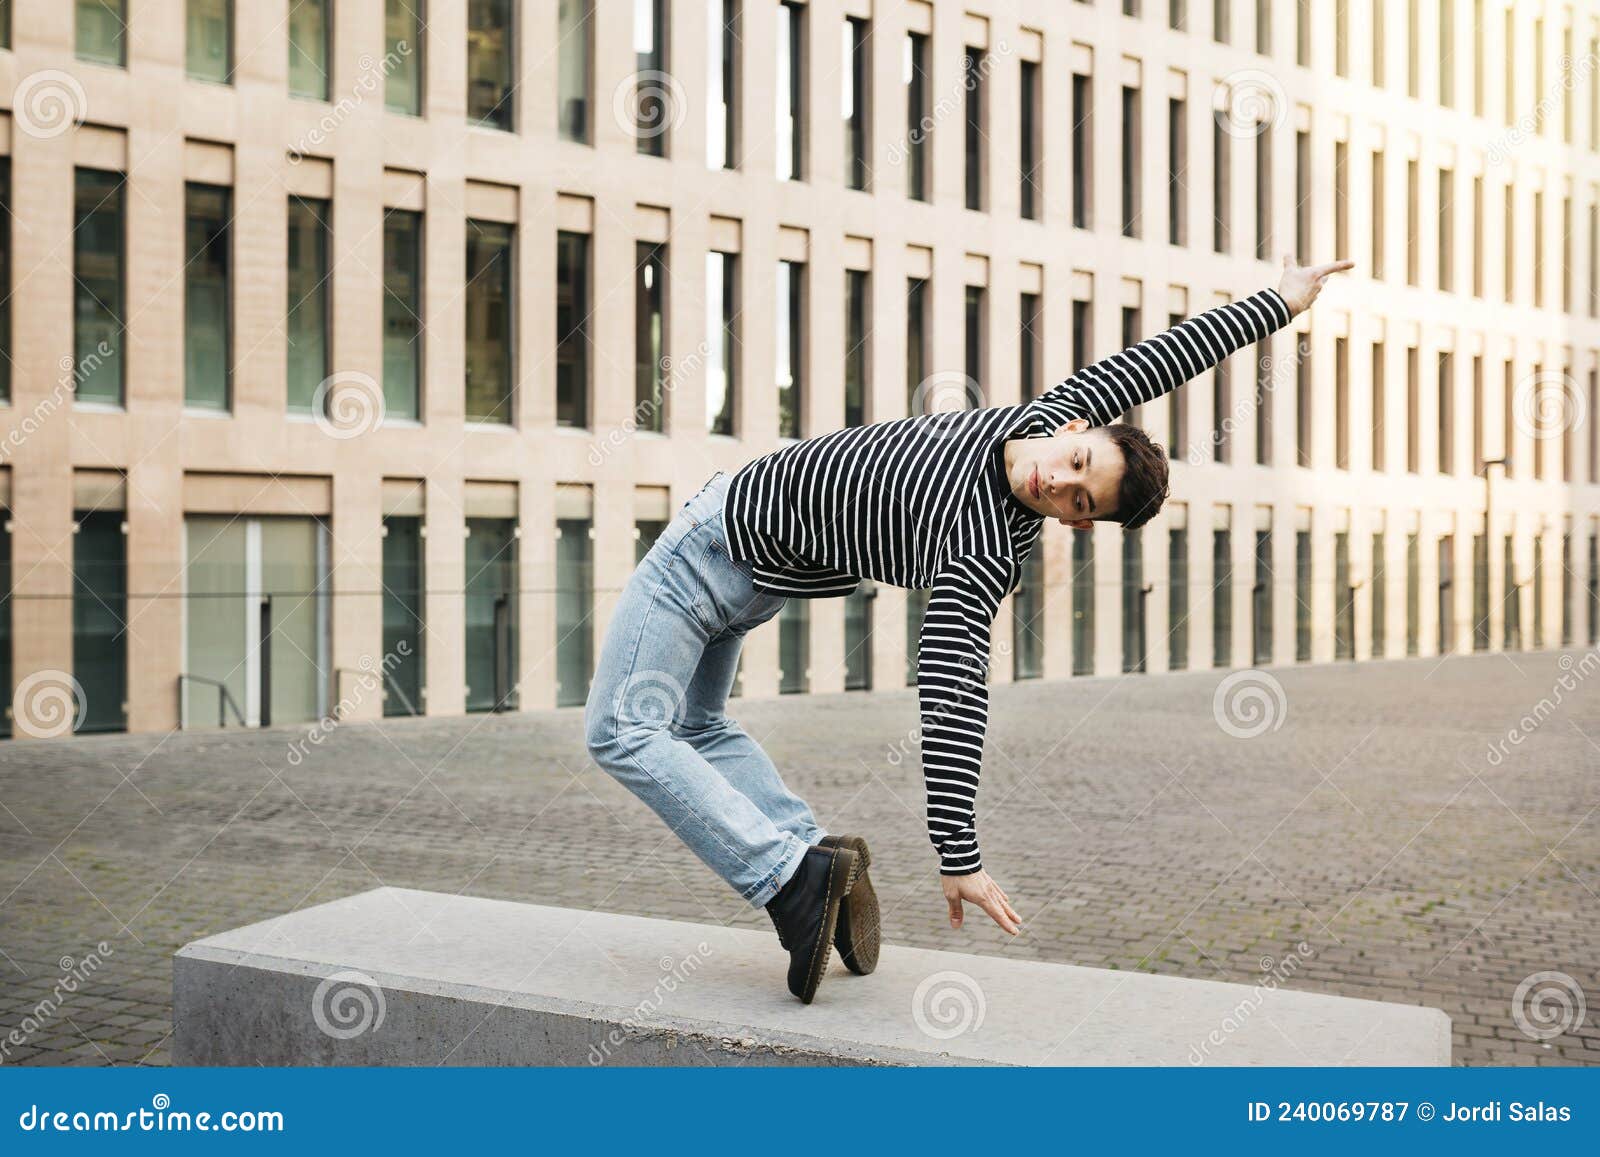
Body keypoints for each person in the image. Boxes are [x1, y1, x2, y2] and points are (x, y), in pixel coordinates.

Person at [585, 256, 1353, 1003]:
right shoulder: (1051, 412)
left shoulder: (982, 550)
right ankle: (815, 855)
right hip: (755, 573)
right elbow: (1161, 360)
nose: (1058, 481)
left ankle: (788, 879)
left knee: (622, 729)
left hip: (712, 550)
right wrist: (1277, 304)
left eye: (1078, 501)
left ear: (1076, 525)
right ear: (1076, 425)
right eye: (1076, 461)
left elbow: (955, 689)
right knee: (696, 725)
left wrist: (961, 852)